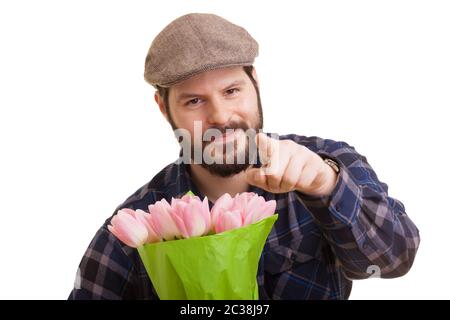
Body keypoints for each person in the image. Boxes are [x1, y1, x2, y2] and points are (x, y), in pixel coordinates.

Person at [69, 13, 420, 300]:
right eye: (194, 101)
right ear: (163, 108)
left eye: (232, 91)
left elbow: (393, 260)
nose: (221, 116)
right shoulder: (138, 225)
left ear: (255, 82)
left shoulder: (328, 162)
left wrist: (325, 185)